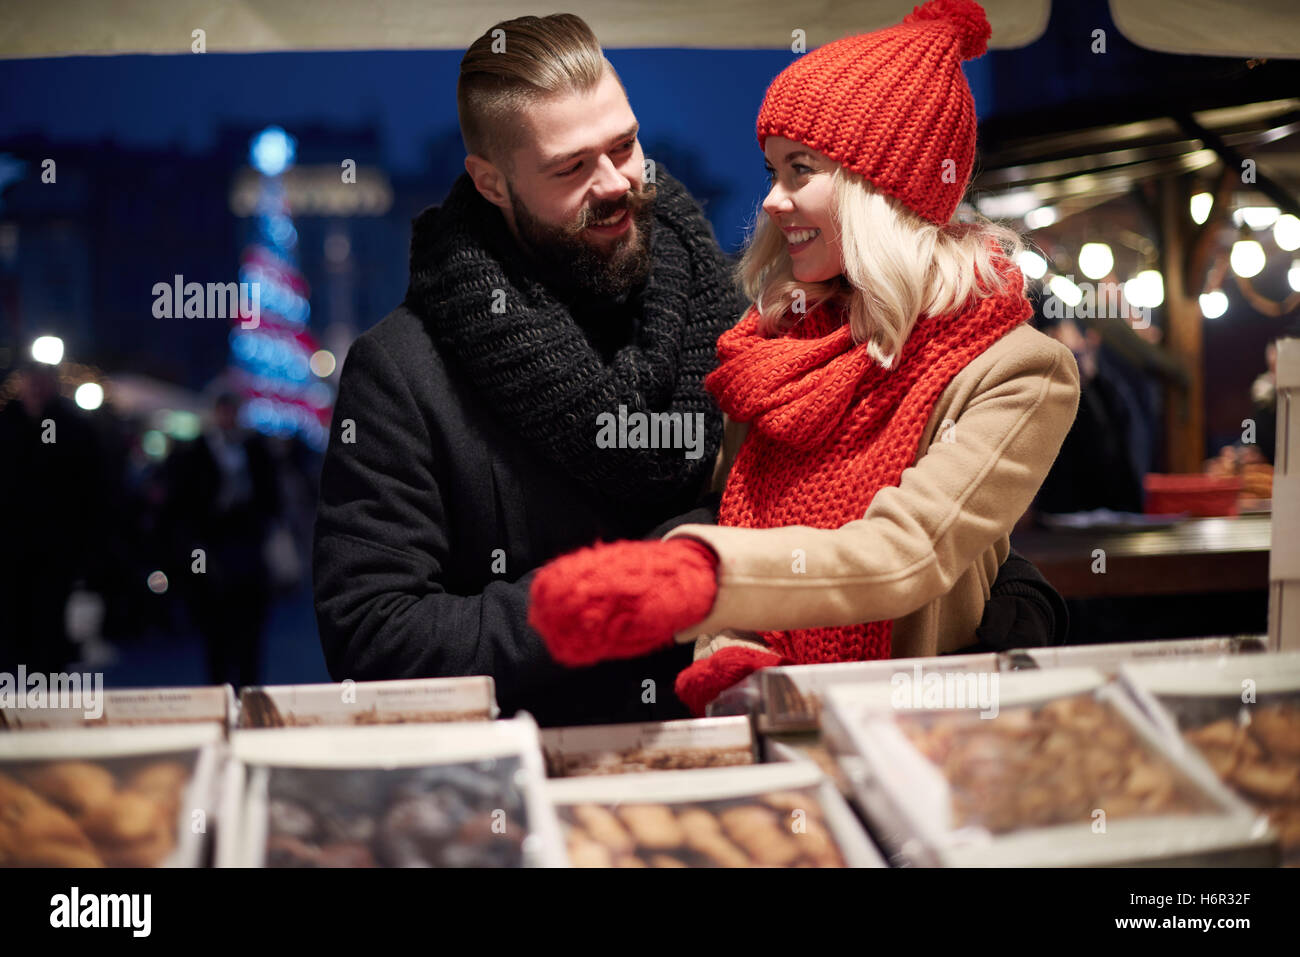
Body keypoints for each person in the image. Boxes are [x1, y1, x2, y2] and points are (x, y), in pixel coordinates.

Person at [314, 10, 1069, 727]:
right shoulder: (404, 371)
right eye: (571, 167)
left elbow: (903, 501)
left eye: (623, 146)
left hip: (754, 753)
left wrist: (1013, 606)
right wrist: (624, 590)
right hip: (544, 774)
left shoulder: (735, 320)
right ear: (491, 183)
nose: (613, 182)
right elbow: (375, 637)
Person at [528, 0, 1082, 716]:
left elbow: (906, 551)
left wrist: (701, 573)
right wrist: (729, 655)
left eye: (799, 170)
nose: (772, 201)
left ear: (881, 186)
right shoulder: (774, 349)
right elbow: (745, 520)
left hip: (925, 735)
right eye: (771, 170)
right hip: (781, 735)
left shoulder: (1017, 369)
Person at [165, 391, 279, 688]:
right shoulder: (197, 451)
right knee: (215, 628)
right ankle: (219, 692)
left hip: (247, 545)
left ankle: (248, 691)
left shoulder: (254, 449)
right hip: (211, 545)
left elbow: (272, 497)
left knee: (249, 631)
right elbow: (183, 503)